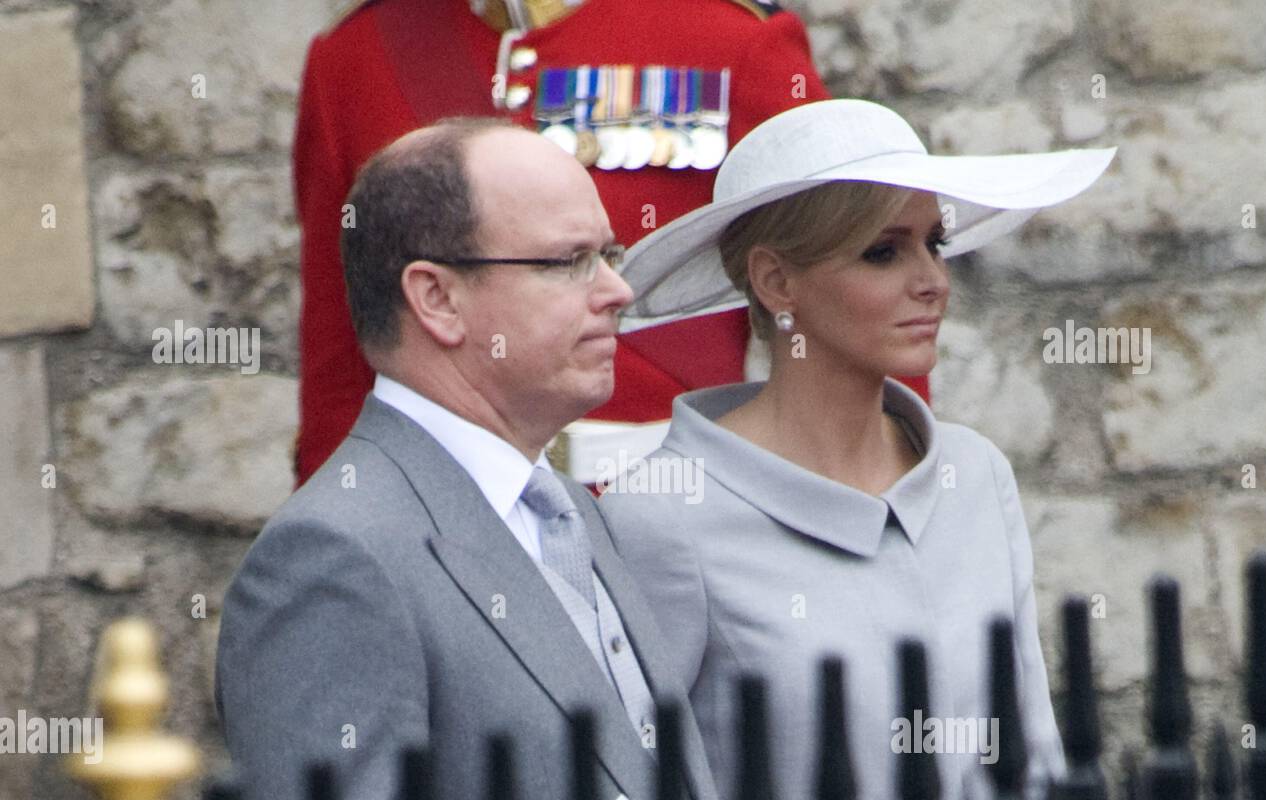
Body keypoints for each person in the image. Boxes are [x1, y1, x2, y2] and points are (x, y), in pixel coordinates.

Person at [216, 118, 731, 800]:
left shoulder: (567, 505)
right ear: (438, 299)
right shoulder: (332, 557)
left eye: (610, 256)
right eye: (570, 262)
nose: (617, 292)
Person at [599, 99, 1116, 800]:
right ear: (777, 282)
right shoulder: (664, 517)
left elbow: (1032, 756)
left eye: (933, 243)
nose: (933, 280)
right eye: (885, 251)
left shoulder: (973, 475)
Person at [291, 0, 918, 486]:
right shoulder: (356, 58)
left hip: (666, 512)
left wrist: (878, 494)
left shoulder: (730, 40)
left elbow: (862, 289)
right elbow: (341, 366)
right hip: (434, 531)